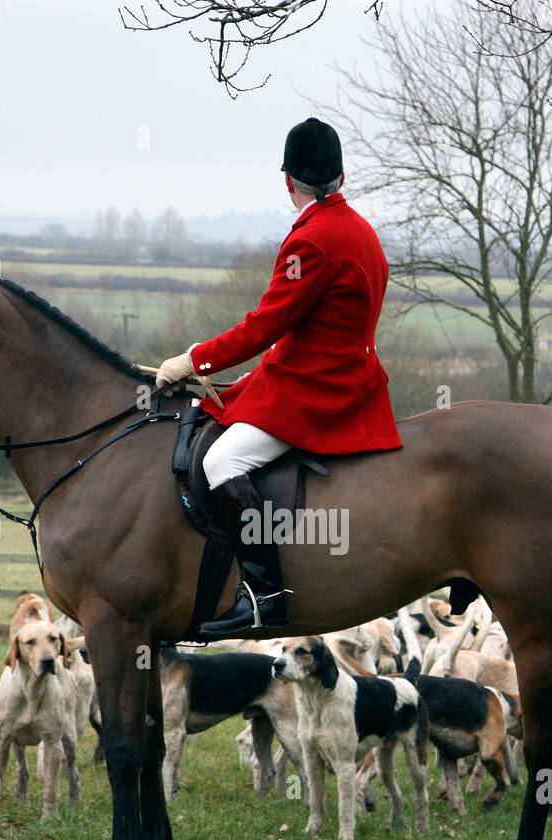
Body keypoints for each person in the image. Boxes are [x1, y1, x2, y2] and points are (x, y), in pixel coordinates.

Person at [156, 117, 403, 635]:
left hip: (315, 388)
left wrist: (192, 360)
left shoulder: (311, 241)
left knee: (222, 460)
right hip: (347, 374)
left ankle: (266, 597)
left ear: (288, 181)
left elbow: (263, 327)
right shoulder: (360, 229)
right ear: (341, 175)